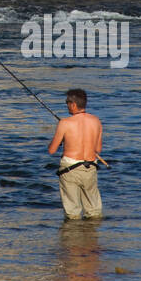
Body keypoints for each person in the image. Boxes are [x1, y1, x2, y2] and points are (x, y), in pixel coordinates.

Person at [48, 89, 103, 220]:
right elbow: (98, 149)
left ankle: (73, 237)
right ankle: (92, 237)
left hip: (69, 169)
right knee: (94, 211)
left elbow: (51, 150)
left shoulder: (64, 123)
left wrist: (60, 141)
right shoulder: (96, 121)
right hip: (90, 168)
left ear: (73, 104)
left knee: (72, 213)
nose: (66, 105)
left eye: (67, 102)